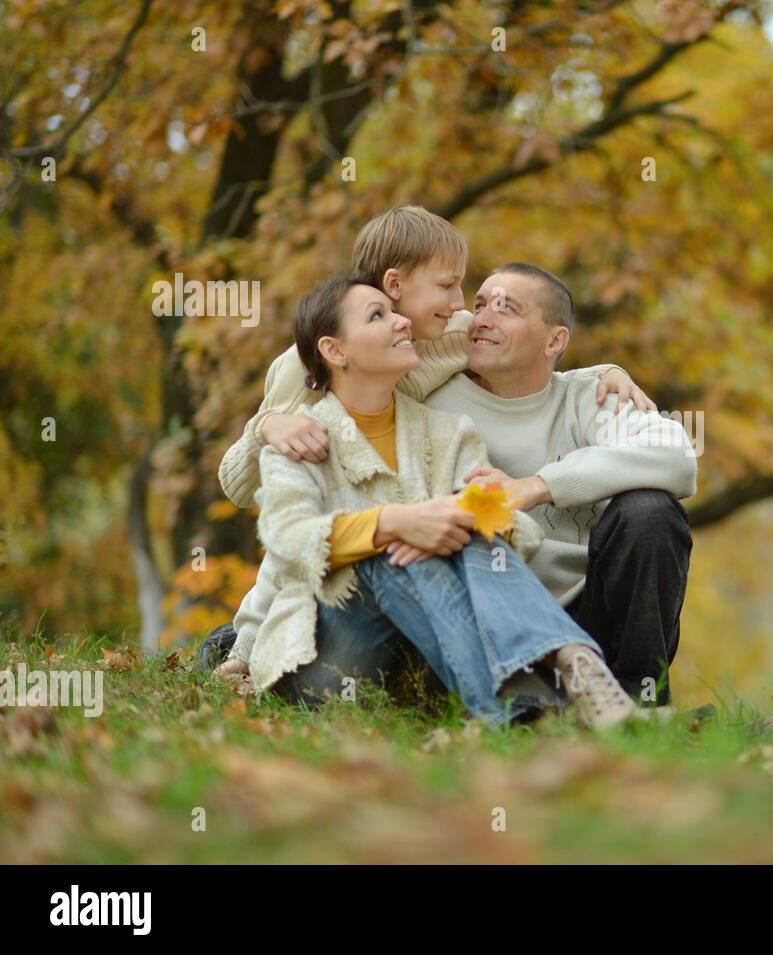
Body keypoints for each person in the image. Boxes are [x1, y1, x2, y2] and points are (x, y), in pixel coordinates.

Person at [206, 206, 653, 673]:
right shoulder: (310, 362)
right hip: (324, 544)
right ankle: (245, 645)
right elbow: (240, 488)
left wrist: (605, 372)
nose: (462, 303)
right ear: (396, 285)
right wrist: (269, 426)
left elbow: (529, 350)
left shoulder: (449, 333)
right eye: (447, 285)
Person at [427, 263, 697, 705]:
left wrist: (538, 485)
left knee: (649, 509)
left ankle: (641, 702)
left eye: (507, 308)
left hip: (596, 620)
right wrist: (276, 418)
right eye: (479, 304)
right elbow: (342, 352)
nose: (483, 318)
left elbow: (680, 458)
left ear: (554, 341)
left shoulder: (588, 397)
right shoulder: (434, 402)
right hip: (495, 621)